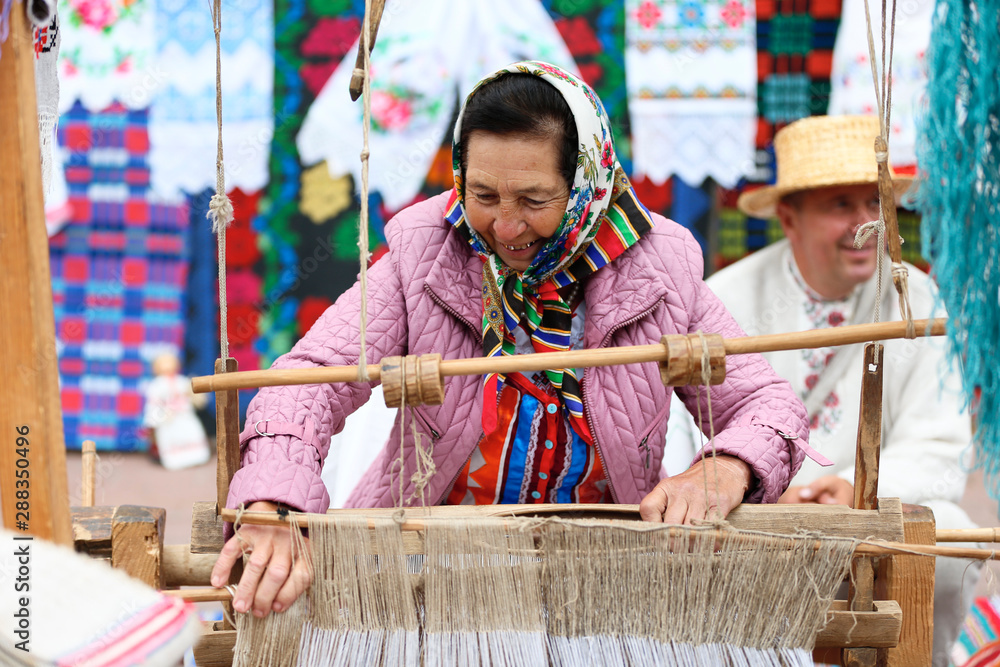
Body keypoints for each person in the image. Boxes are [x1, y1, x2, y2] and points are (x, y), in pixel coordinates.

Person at [211, 62, 815, 620]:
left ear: (585, 180)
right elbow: (307, 379)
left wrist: (725, 468)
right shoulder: (424, 254)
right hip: (422, 571)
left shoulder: (655, 270)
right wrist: (274, 505)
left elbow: (766, 404)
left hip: (605, 576)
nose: (504, 226)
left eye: (534, 200)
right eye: (483, 196)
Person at [666, 114, 980, 666]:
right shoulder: (724, 300)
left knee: (953, 535)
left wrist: (855, 486)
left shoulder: (920, 300)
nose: (867, 225)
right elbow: (677, 433)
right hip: (751, 514)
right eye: (841, 205)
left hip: (871, 510)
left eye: (873, 204)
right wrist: (752, 485)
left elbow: (942, 445)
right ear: (789, 217)